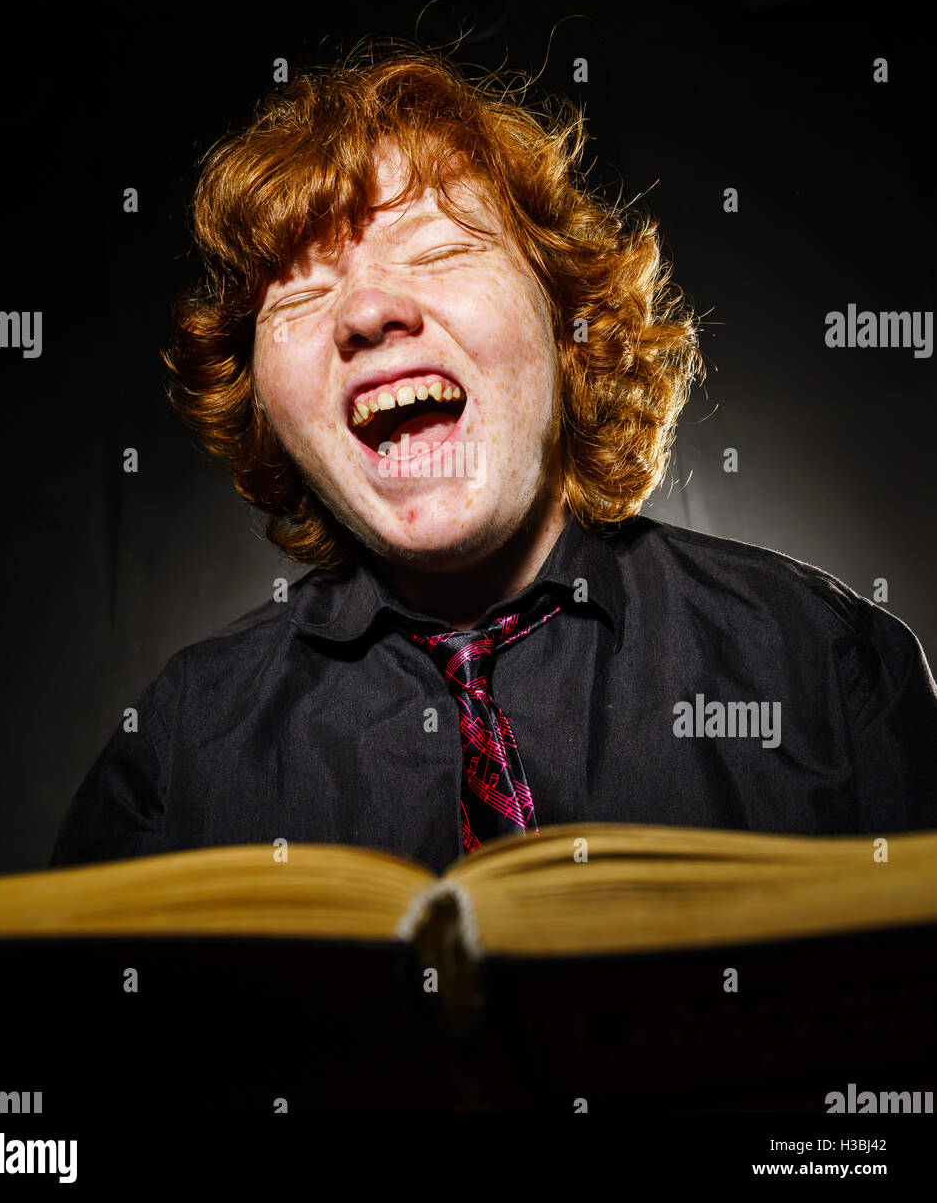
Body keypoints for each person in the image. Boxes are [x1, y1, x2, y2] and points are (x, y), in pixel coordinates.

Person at [49, 49, 937, 874]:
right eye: (302, 292)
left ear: (565, 327)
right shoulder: (180, 744)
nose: (365, 313)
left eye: (438, 251)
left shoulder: (819, 660)